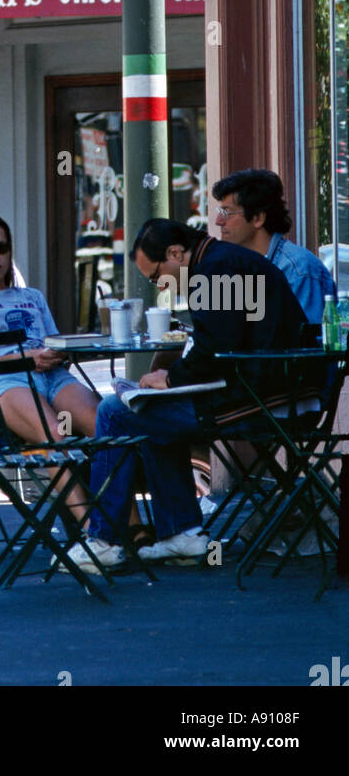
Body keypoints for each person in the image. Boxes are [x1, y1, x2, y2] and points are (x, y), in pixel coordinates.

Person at [65, 217, 309, 574]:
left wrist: (171, 376)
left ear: (176, 253)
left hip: (259, 399)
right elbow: (226, 340)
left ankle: (103, 540)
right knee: (146, 409)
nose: (160, 286)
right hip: (272, 389)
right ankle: (181, 532)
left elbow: (216, 349)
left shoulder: (216, 268)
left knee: (115, 411)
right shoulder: (223, 260)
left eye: (157, 276)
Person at [0, 213, 100, 445]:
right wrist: (24, 359)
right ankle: (73, 482)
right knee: (56, 434)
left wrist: (56, 353)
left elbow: (54, 344)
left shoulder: (32, 296)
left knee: (106, 423)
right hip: (5, 381)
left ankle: (106, 482)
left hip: (53, 376)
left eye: (1, 248)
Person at [212, 168, 336, 324]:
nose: (218, 221)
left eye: (226, 213)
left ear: (258, 218)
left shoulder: (298, 270)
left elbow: (307, 342)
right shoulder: (237, 266)